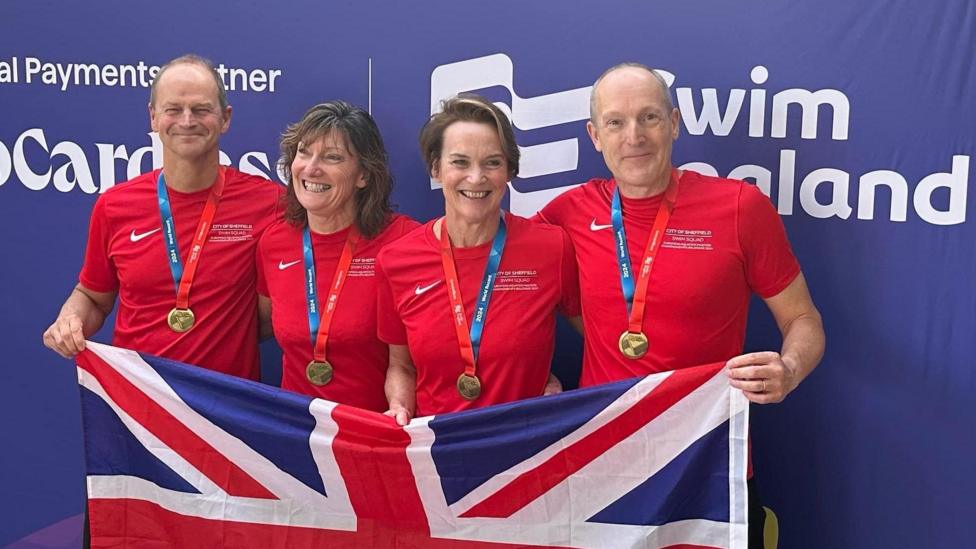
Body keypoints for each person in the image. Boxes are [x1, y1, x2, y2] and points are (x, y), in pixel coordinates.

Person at [536, 63, 825, 548]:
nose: (635, 136)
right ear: (594, 135)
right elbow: (503, 286)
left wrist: (790, 368)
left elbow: (803, 319)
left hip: (708, 460)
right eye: (616, 122)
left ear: (674, 123)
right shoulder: (568, 214)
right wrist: (533, 372)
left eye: (649, 118)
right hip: (607, 464)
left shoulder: (740, 207)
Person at [41, 54, 283, 380]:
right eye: (173, 109)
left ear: (225, 118)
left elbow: (273, 314)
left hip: (223, 413)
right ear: (153, 117)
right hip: (137, 405)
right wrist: (70, 318)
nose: (186, 121)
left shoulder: (269, 203)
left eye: (201, 109)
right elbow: (93, 297)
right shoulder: (114, 205)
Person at [379, 95, 581, 425]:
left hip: (524, 450)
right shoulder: (397, 261)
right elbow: (401, 365)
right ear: (436, 168)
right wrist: (400, 405)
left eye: (492, 162)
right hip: (437, 453)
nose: (476, 177)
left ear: (509, 171)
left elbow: (600, 338)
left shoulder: (551, 248)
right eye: (459, 162)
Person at [256, 101, 418, 410]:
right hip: (298, 432)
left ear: (363, 175)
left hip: (377, 431)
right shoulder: (275, 242)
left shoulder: (404, 242)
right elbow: (257, 326)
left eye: (332, 157)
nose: (312, 167)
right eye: (303, 152)